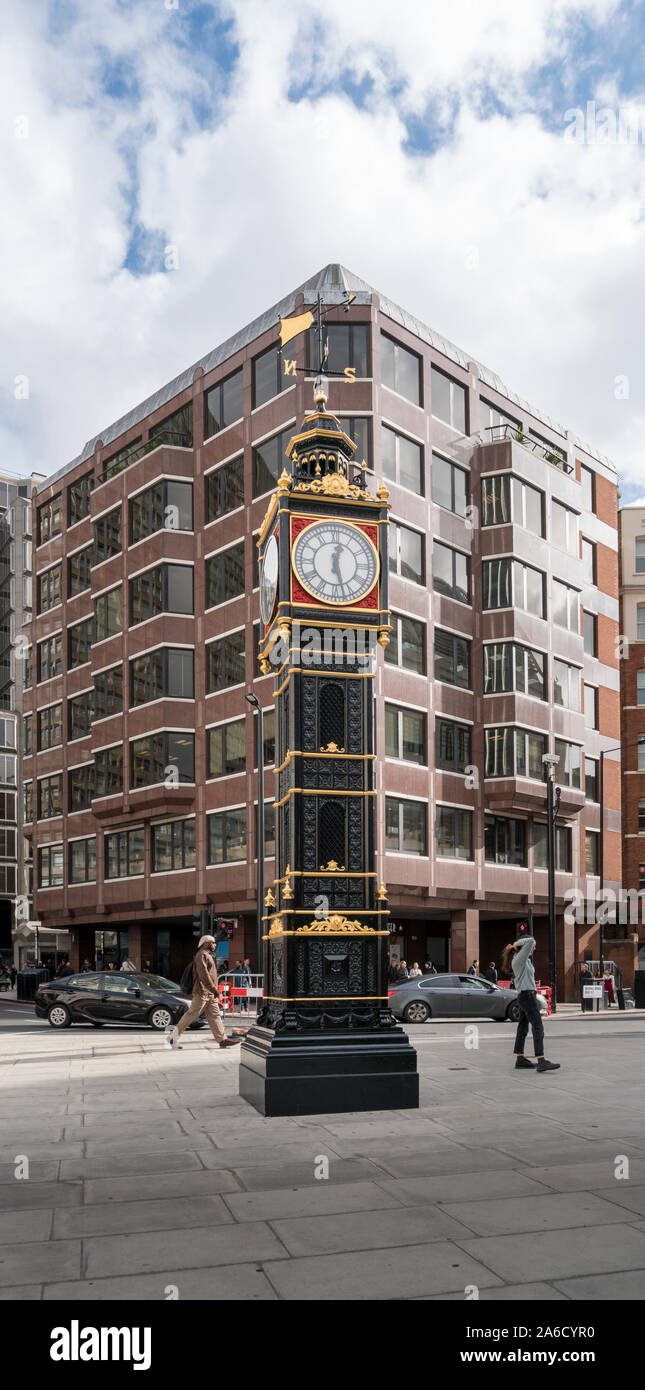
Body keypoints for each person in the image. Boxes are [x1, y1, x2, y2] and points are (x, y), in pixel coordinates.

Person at [167, 935, 239, 1051]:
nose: (215, 944)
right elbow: (203, 975)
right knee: (192, 1014)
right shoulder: (202, 955)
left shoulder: (208, 955)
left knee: (215, 1016)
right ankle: (172, 1037)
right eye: (213, 942)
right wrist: (214, 989)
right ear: (205, 943)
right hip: (202, 992)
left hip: (209, 993)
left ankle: (222, 1040)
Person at [501, 935, 560, 1073]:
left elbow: (531, 943)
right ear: (523, 947)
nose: (534, 948)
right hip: (527, 995)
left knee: (523, 1027)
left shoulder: (523, 959)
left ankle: (520, 1059)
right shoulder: (520, 959)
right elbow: (531, 940)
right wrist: (516, 943)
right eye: (532, 947)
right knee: (538, 1026)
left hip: (526, 995)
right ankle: (541, 1060)